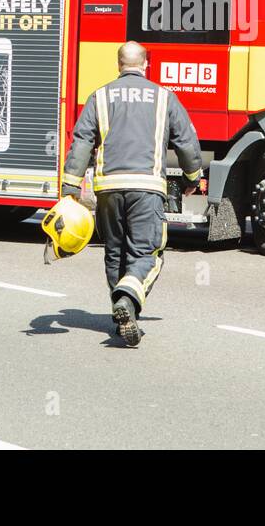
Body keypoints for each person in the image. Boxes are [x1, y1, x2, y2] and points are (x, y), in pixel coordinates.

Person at [60, 41, 202, 347]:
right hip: (147, 188)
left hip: (108, 189)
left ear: (119, 65)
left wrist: (70, 187)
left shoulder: (99, 96)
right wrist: (193, 176)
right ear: (146, 64)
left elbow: (82, 140)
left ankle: (123, 315)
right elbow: (186, 141)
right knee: (147, 253)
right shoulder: (164, 97)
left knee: (115, 253)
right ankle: (127, 297)